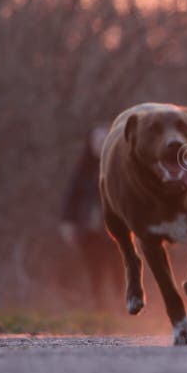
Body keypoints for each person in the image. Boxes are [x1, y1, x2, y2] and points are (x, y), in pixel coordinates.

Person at [59, 124, 122, 308]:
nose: (100, 144)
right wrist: (67, 223)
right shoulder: (83, 170)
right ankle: (100, 307)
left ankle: (124, 305)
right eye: (97, 140)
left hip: (116, 228)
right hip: (89, 228)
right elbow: (72, 197)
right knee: (95, 269)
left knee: (120, 267)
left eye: (104, 140)